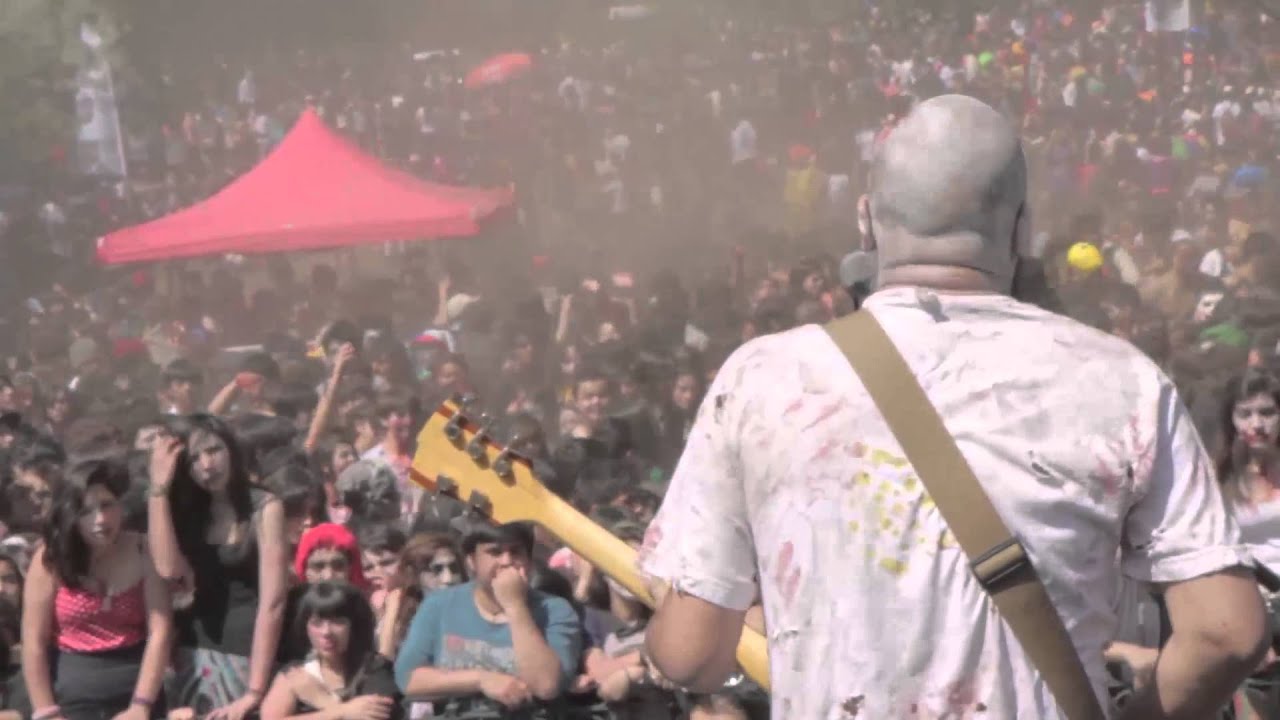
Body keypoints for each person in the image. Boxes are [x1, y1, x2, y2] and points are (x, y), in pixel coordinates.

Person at [639, 95, 1269, 719]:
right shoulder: (1122, 380)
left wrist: (663, 615)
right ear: (1022, 227)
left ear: (865, 220)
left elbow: (692, 658)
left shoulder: (763, 379)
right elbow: (1227, 633)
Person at [147, 414, 289, 719]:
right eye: (194, 459)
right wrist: (158, 489)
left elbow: (274, 602)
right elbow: (169, 569)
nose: (207, 465)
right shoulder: (185, 511)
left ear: (231, 449)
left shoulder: (264, 507)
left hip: (247, 654)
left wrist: (255, 691)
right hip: (191, 652)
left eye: (214, 450)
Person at [22, 456, 173, 719]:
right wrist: (46, 711)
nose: (100, 519)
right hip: (71, 695)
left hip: (137, 692)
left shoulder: (144, 549)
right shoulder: (51, 559)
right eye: (85, 511)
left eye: (107, 505)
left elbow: (160, 631)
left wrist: (141, 705)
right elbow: (33, 641)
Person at [393, 522, 581, 711]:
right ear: (471, 561)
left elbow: (546, 686)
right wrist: (481, 680)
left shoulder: (554, 609)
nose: (506, 561)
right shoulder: (439, 605)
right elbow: (407, 679)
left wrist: (515, 606)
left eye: (516, 552)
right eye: (495, 552)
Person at [260, 582, 403, 720]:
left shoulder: (376, 669)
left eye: (338, 622)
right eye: (317, 623)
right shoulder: (296, 674)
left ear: (355, 626)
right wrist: (343, 711)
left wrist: (324, 700)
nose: (326, 632)